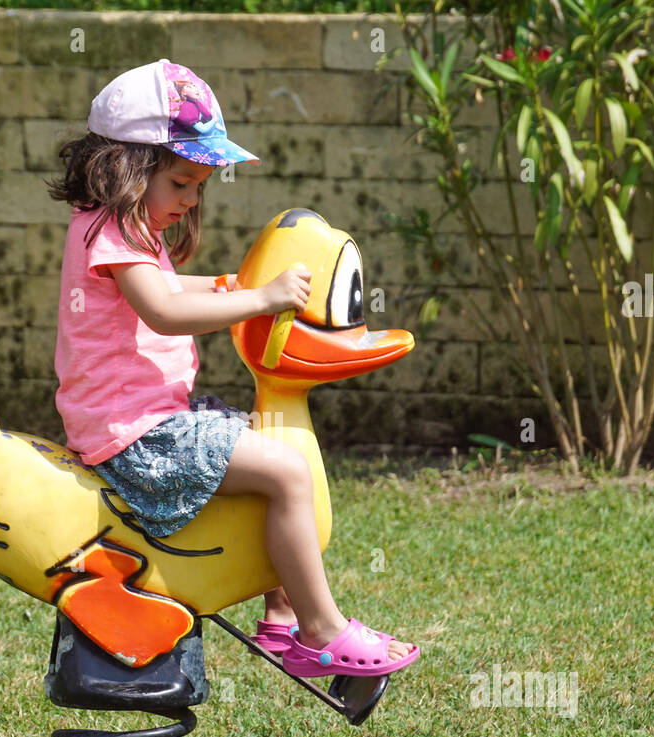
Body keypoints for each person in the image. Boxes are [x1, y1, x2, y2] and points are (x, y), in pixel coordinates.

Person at [45, 59, 418, 679]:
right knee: (286, 470)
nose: (192, 198)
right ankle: (321, 633)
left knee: (262, 446)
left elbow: (160, 286)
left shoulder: (116, 226)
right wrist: (264, 298)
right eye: (182, 182)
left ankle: (279, 620)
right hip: (134, 441)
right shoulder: (115, 231)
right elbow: (163, 311)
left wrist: (226, 285)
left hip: (145, 423)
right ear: (128, 169)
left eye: (201, 186)